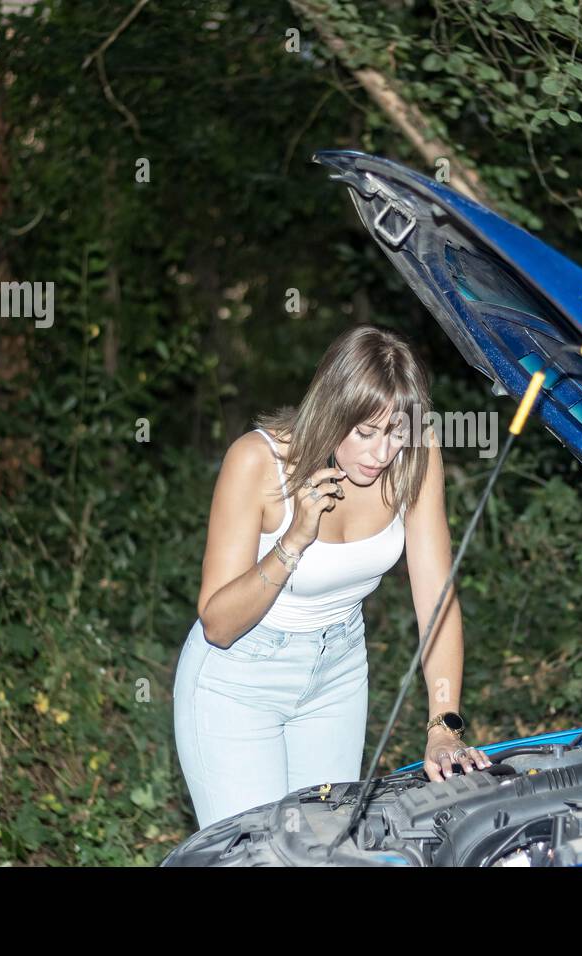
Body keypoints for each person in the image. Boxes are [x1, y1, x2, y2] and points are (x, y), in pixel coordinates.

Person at [172, 324, 491, 830]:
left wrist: (443, 722)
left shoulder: (416, 454)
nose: (381, 454)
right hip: (238, 681)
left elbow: (437, 598)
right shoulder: (258, 461)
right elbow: (218, 624)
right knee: (257, 858)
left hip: (338, 674)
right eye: (365, 432)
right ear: (332, 409)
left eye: (395, 434)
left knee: (324, 850)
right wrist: (294, 540)